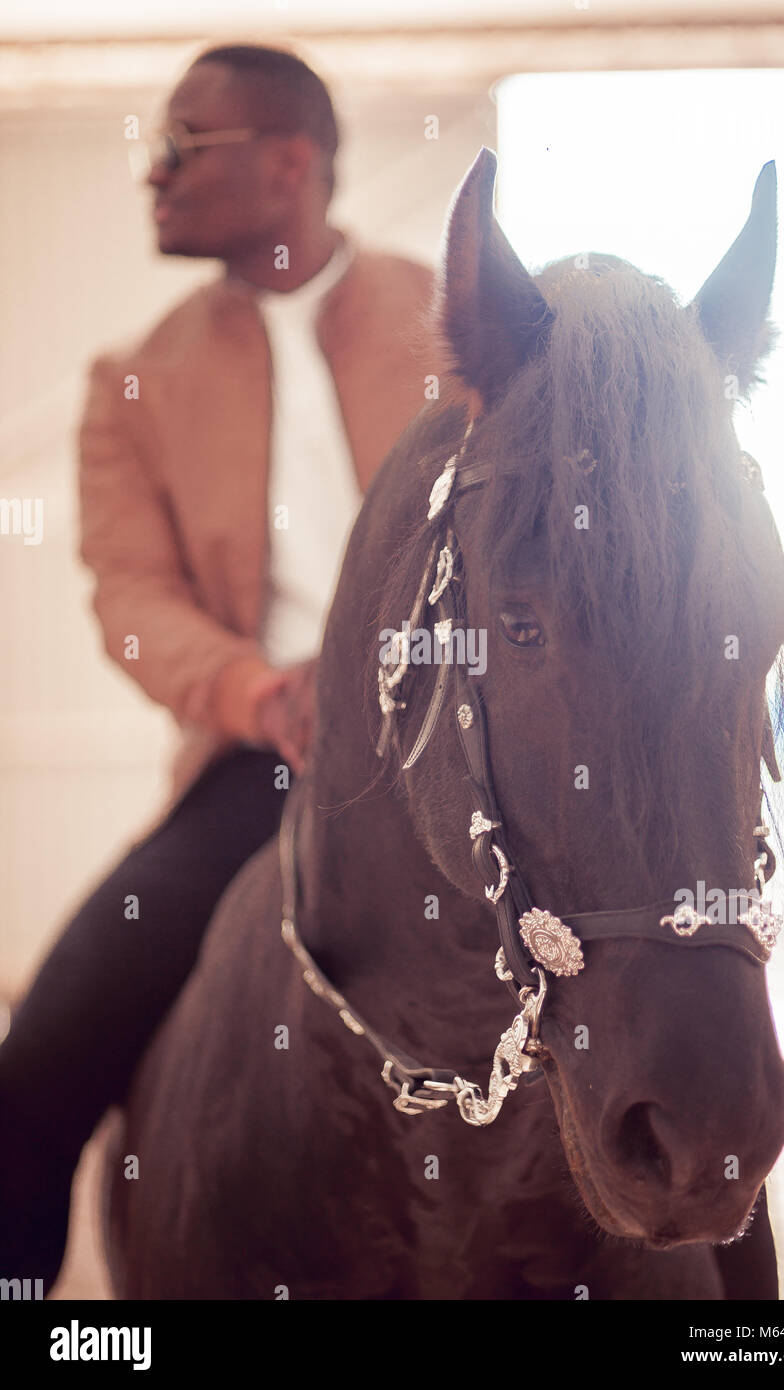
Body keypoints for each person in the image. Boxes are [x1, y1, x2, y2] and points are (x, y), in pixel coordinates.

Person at [0, 43, 434, 1291]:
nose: (154, 175)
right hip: (269, 770)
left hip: (477, 757)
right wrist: (257, 691)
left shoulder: (461, 329)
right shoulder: (129, 387)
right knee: (27, 1089)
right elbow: (130, 601)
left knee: (678, 1035)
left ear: (289, 164)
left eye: (184, 146)